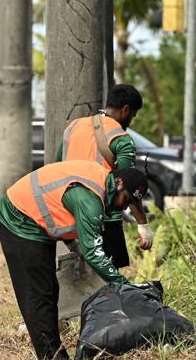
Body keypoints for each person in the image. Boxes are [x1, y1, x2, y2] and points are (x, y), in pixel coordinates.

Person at [0, 160, 149, 360]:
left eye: (130, 204)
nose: (123, 206)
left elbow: (56, 203)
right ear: (119, 183)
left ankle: (55, 355)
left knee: (50, 289)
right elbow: (93, 251)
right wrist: (124, 285)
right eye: (126, 199)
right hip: (18, 218)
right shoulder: (90, 199)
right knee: (39, 292)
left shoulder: (100, 184)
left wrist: (72, 243)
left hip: (33, 216)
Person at [56, 84, 154, 270]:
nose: (131, 120)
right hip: (103, 218)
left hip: (69, 213)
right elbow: (128, 186)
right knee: (106, 278)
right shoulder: (121, 139)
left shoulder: (73, 127)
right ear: (126, 110)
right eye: (133, 115)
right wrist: (142, 225)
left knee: (76, 272)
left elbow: (56, 166)